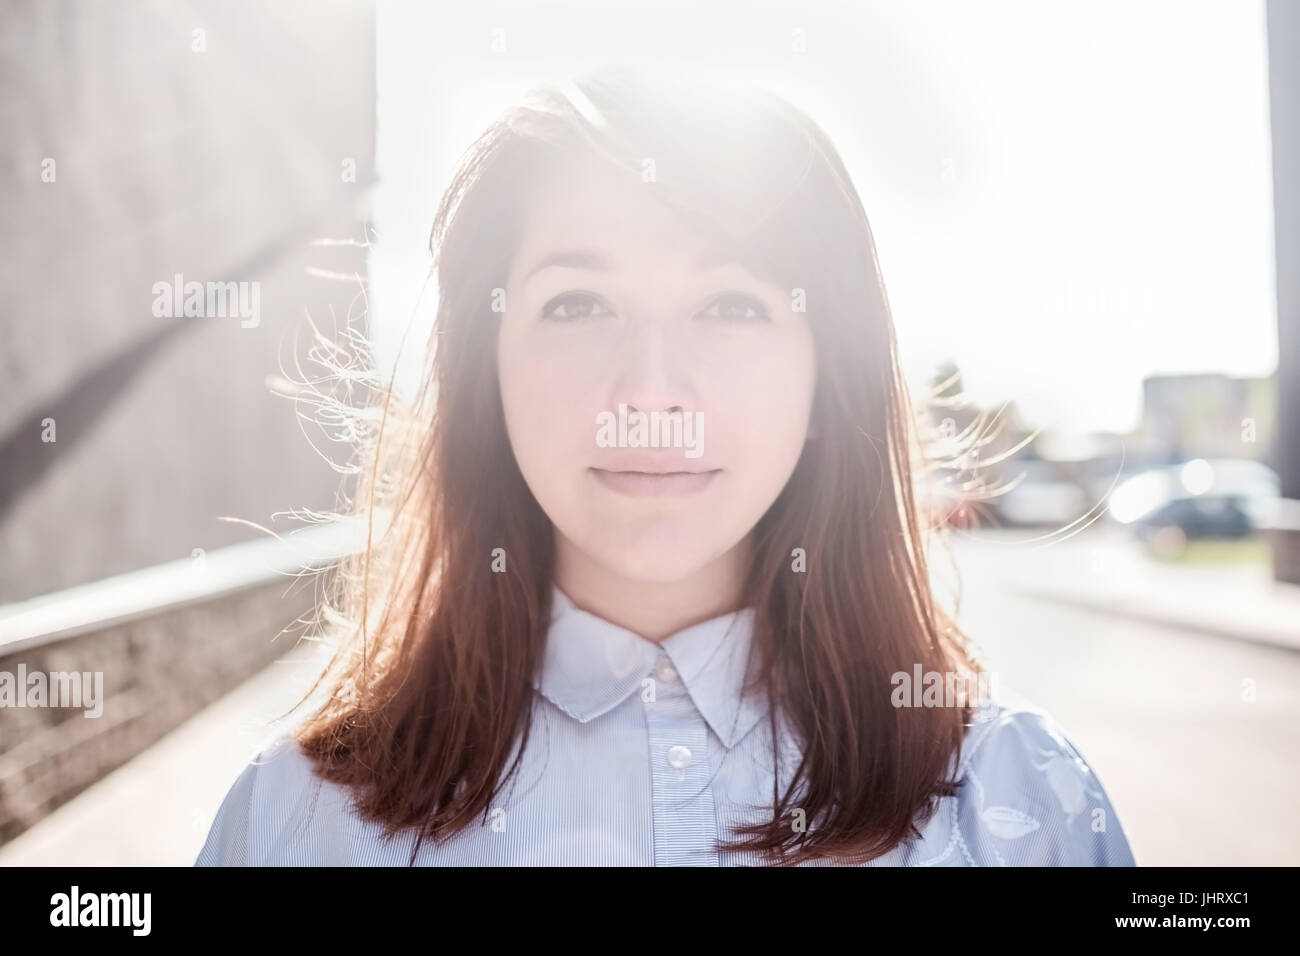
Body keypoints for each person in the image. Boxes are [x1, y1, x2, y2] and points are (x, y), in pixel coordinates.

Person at [195, 61, 1136, 867]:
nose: (650, 393)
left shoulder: (1021, 803)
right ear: (487, 375)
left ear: (827, 383)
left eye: (731, 305)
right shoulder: (295, 820)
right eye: (576, 304)